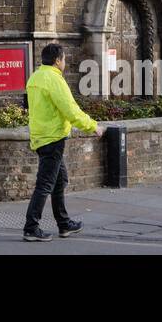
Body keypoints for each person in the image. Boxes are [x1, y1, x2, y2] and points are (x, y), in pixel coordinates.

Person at [23, 43, 102, 241]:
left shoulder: (35, 77)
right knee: (45, 184)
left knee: (59, 182)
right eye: (64, 59)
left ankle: (64, 224)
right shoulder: (54, 80)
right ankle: (31, 227)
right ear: (58, 60)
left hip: (41, 137)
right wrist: (92, 126)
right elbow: (70, 109)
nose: (65, 62)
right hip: (53, 138)